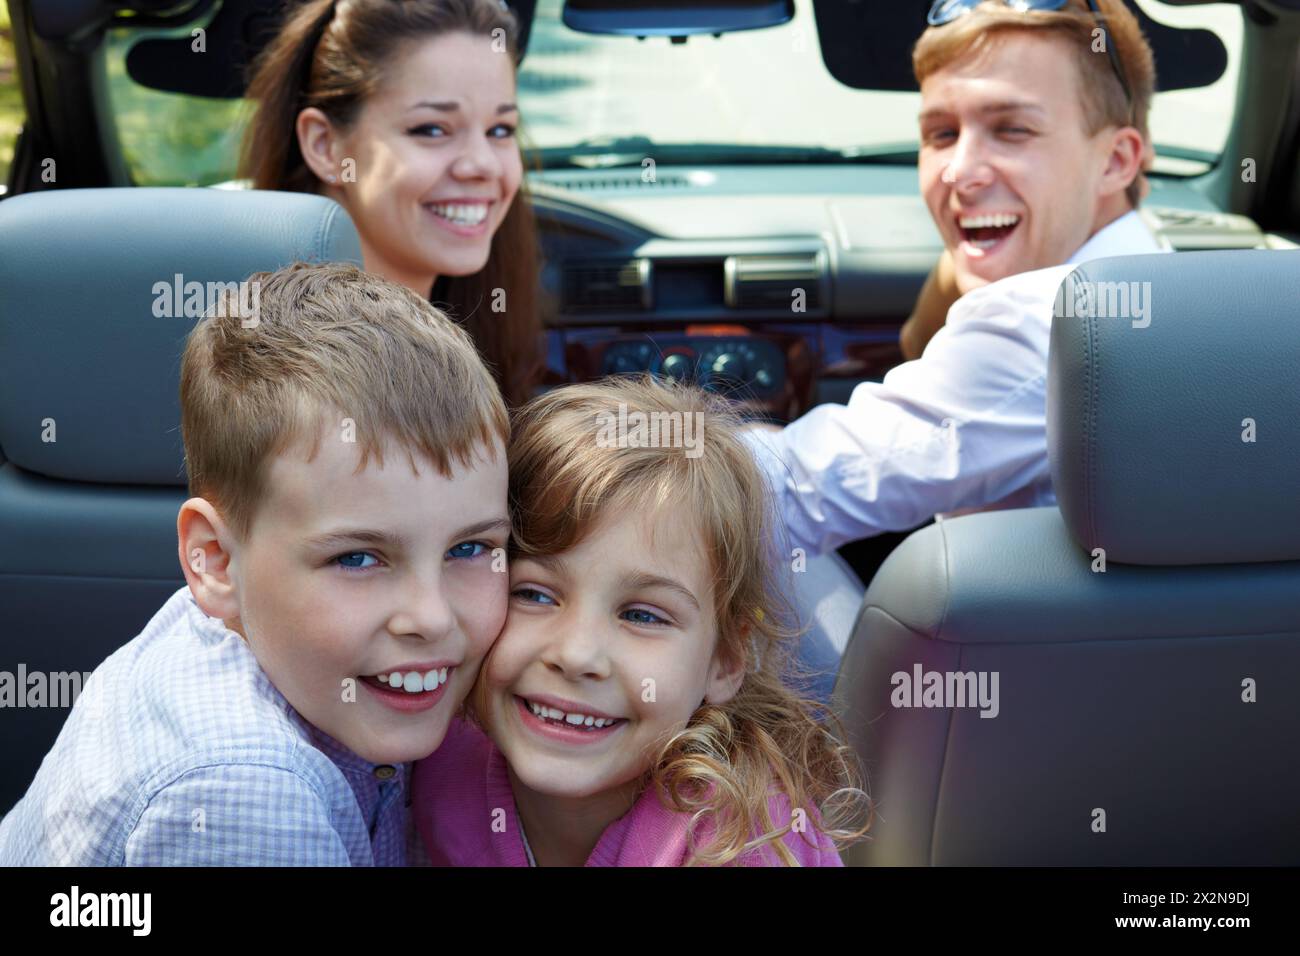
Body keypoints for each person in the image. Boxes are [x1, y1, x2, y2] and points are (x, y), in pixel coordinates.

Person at [0, 263, 512, 865]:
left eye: (469, 549)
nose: (430, 616)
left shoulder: (262, 642)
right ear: (214, 560)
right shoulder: (246, 797)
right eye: (358, 558)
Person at [744, 0, 1165, 557]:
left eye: (1012, 130)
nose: (959, 173)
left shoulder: (1043, 322)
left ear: (1116, 161)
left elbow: (783, 498)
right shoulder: (1161, 279)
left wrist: (643, 437)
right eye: (941, 134)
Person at [411, 376, 869, 865]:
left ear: (725, 661)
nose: (576, 655)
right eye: (535, 595)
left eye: (641, 615)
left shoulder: (744, 847)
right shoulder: (429, 757)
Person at [239, 0, 542, 405]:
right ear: (325, 145)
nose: (483, 164)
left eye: (501, 129)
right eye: (432, 129)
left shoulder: (476, 332)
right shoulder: (288, 384)